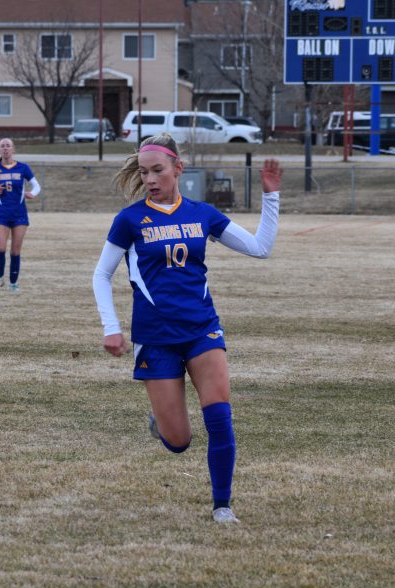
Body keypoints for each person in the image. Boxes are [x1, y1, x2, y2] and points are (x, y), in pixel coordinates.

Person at [92, 133, 282, 524]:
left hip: (202, 330)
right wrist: (111, 327)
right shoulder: (130, 220)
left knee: (219, 418)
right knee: (178, 442)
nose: (150, 179)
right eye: (144, 173)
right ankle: (163, 424)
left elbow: (260, 248)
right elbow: (101, 274)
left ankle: (222, 506)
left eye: (157, 170)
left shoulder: (202, 214)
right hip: (155, 338)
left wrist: (270, 197)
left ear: (178, 168)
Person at [0, 138, 41, 293]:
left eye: (8, 146)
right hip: (2, 214)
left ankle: (13, 283)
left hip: (19, 215)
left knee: (15, 251)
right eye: (2, 146)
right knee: (1, 247)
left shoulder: (23, 168)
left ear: (13, 149)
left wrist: (33, 194)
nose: (5, 149)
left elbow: (37, 185)